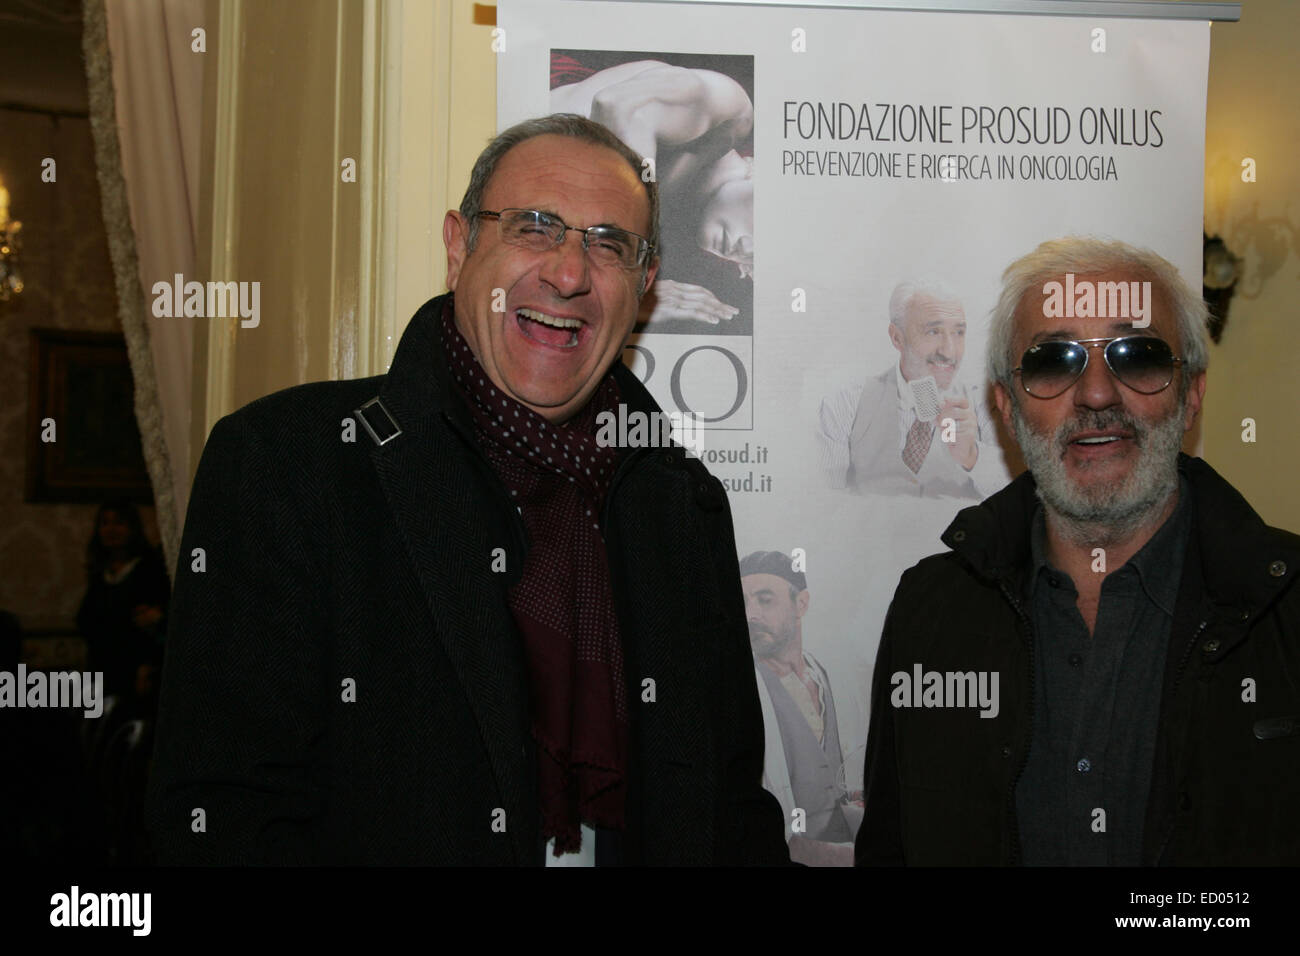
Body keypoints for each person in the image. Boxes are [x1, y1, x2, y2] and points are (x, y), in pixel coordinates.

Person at [148, 114, 789, 866]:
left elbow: (729, 812)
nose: (570, 272)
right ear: (459, 247)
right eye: (535, 226)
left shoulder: (684, 505)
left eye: (609, 245)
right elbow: (223, 817)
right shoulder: (291, 466)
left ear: (644, 286)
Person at [856, 237, 1300, 865]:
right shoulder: (932, 612)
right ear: (1007, 407)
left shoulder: (1288, 612)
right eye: (1054, 361)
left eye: (1138, 355)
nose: (1096, 395)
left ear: (1192, 393)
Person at [552, 59, 753, 326]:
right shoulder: (732, 114)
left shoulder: (678, 215)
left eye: (754, 266)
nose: (747, 250)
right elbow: (622, 106)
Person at [818, 281, 1003, 499]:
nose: (949, 351)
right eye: (933, 331)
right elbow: (824, 502)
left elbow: (1019, 500)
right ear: (897, 337)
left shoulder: (987, 404)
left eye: (959, 332)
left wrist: (973, 456)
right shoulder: (846, 404)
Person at [740, 551, 861, 867]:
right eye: (744, 602)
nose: (751, 614)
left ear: (801, 604)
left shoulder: (828, 676)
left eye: (765, 600)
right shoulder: (742, 692)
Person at [76, 501, 169, 715]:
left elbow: (154, 627)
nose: (111, 530)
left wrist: (148, 666)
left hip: (135, 673)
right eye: (105, 523)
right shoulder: (101, 575)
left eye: (119, 523)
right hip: (101, 671)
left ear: (132, 528)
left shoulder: (149, 570)